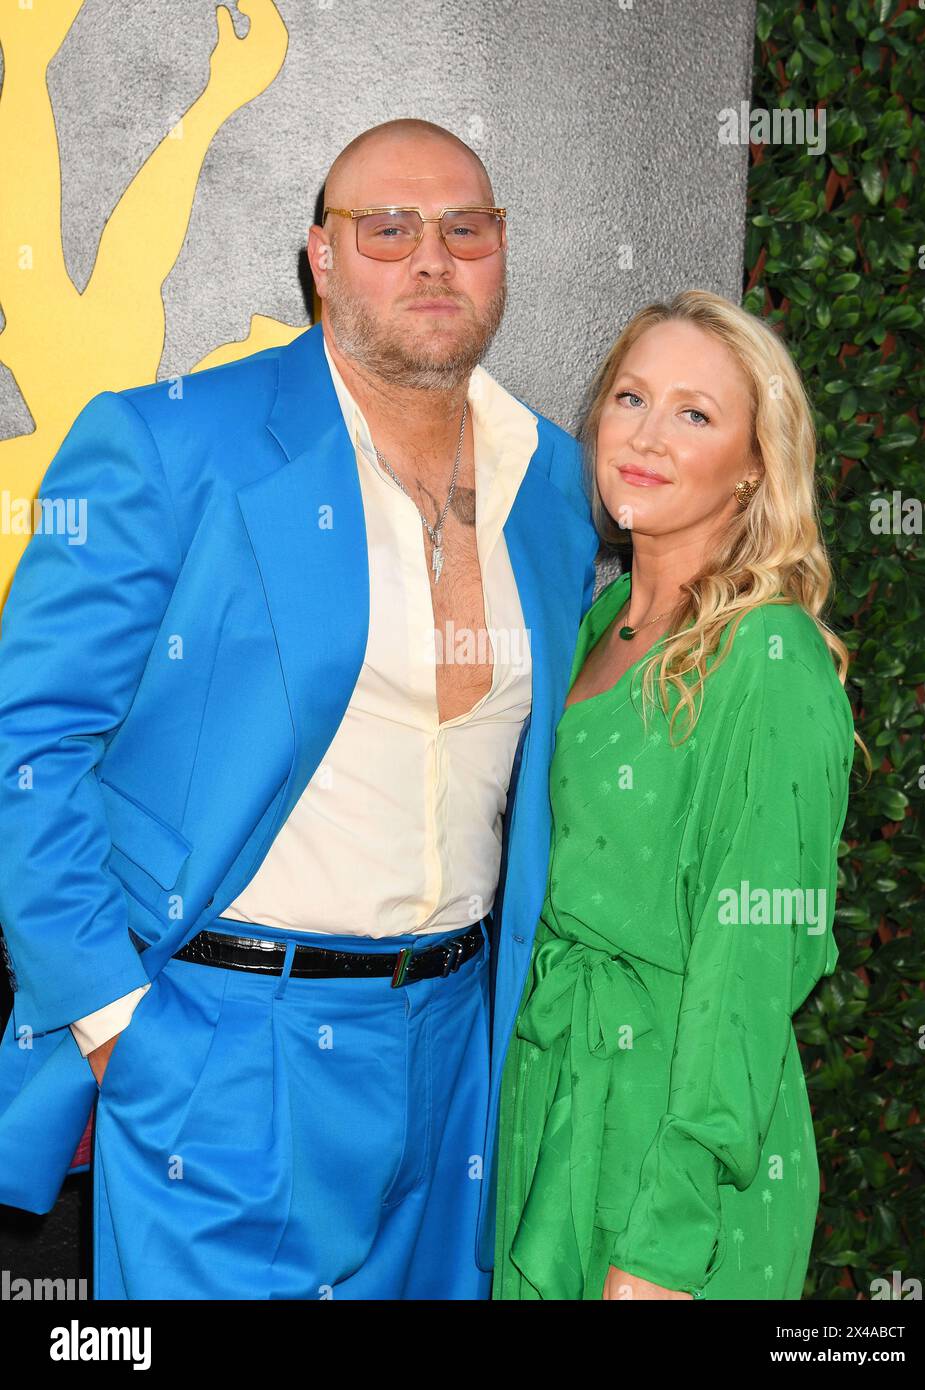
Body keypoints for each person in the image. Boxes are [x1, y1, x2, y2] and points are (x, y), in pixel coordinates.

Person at [0, 118, 598, 1299]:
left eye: (464, 229)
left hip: (464, 1061)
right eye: (388, 229)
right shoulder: (170, 442)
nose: (433, 257)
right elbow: (29, 744)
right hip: (226, 1046)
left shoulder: (561, 484)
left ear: (504, 251)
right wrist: (121, 1025)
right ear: (319, 259)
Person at [492, 289, 863, 1300]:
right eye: (629, 397)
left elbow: (749, 970)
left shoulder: (765, 656)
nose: (645, 437)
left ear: (754, 461)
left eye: (694, 414)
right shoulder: (599, 617)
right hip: (555, 1096)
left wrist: (663, 1243)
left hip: (674, 1140)